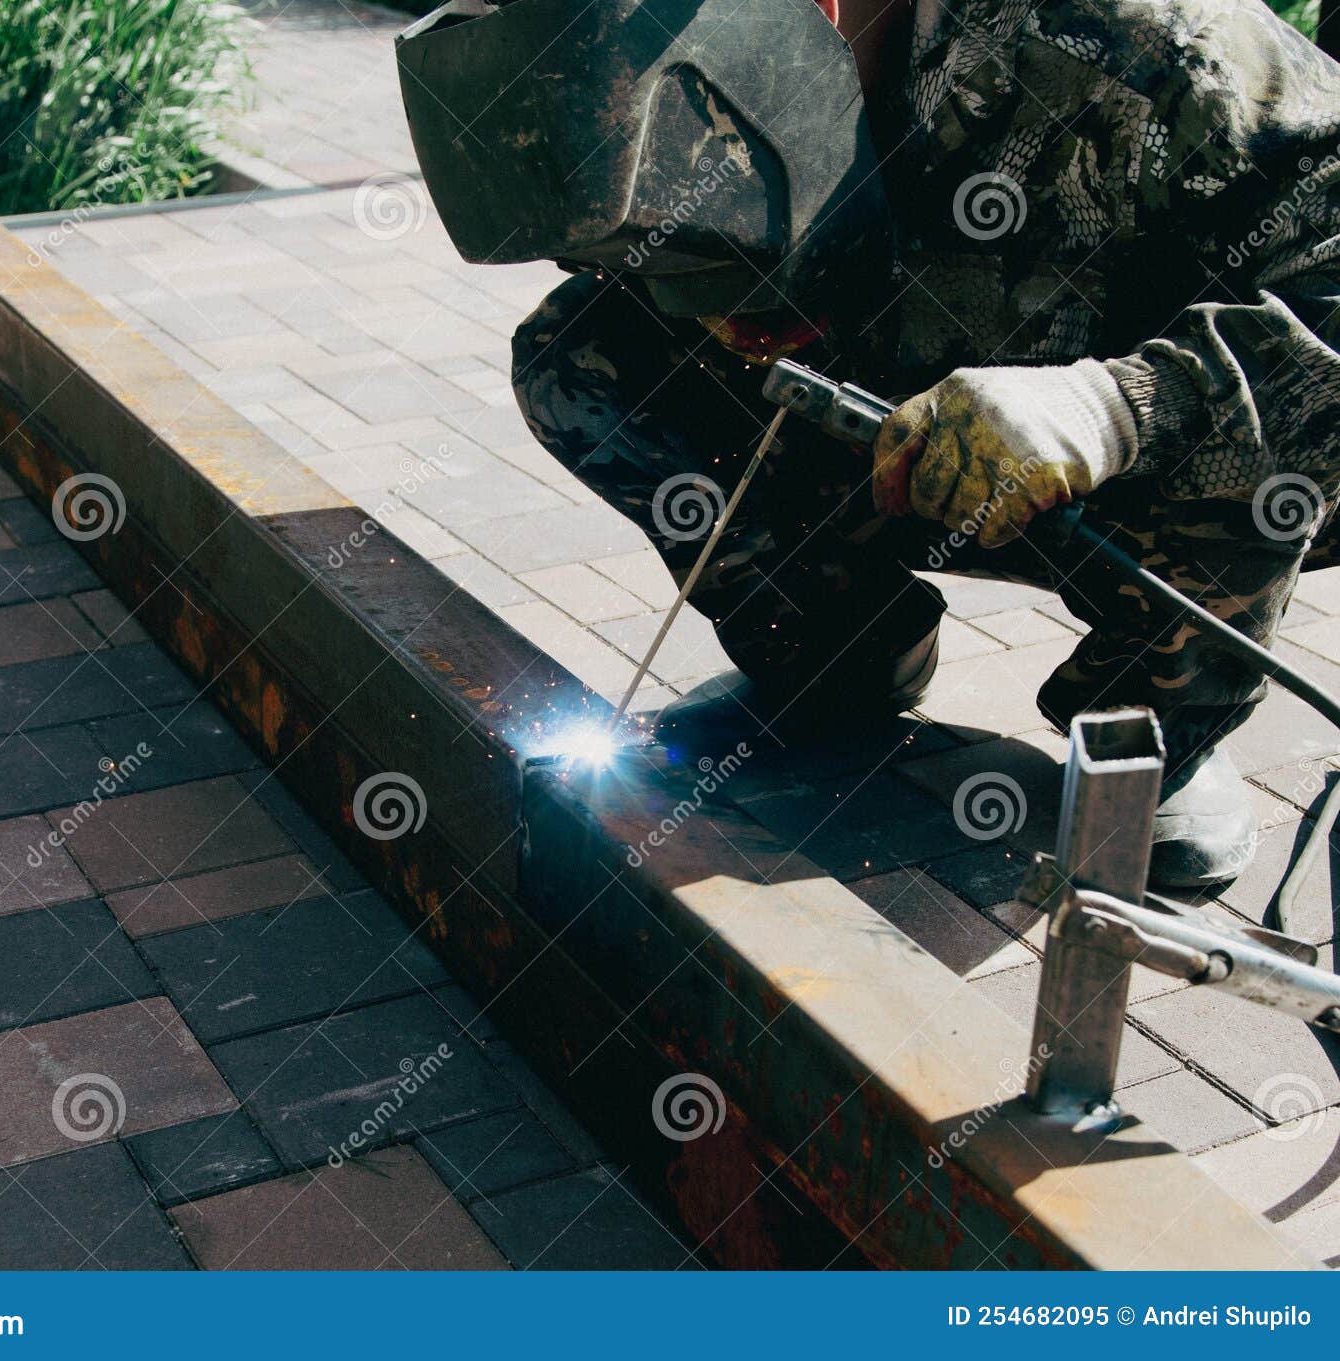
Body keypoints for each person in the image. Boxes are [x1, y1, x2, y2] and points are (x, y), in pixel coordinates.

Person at [401, 0, 1340, 886]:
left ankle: (1158, 737)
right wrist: (699, 280)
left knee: (1259, 443)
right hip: (903, 415)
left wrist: (1114, 405)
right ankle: (839, 661)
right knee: (583, 356)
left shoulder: (1143, 40)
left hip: (1127, 465)